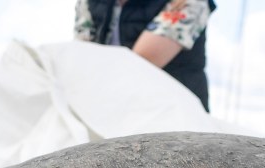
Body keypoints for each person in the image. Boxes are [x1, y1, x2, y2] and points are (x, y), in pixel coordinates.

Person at [75, 0, 217, 110]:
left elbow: (139, 65)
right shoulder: (91, 3)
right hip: (111, 107)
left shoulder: (189, 2)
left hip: (174, 114)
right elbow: (82, 58)